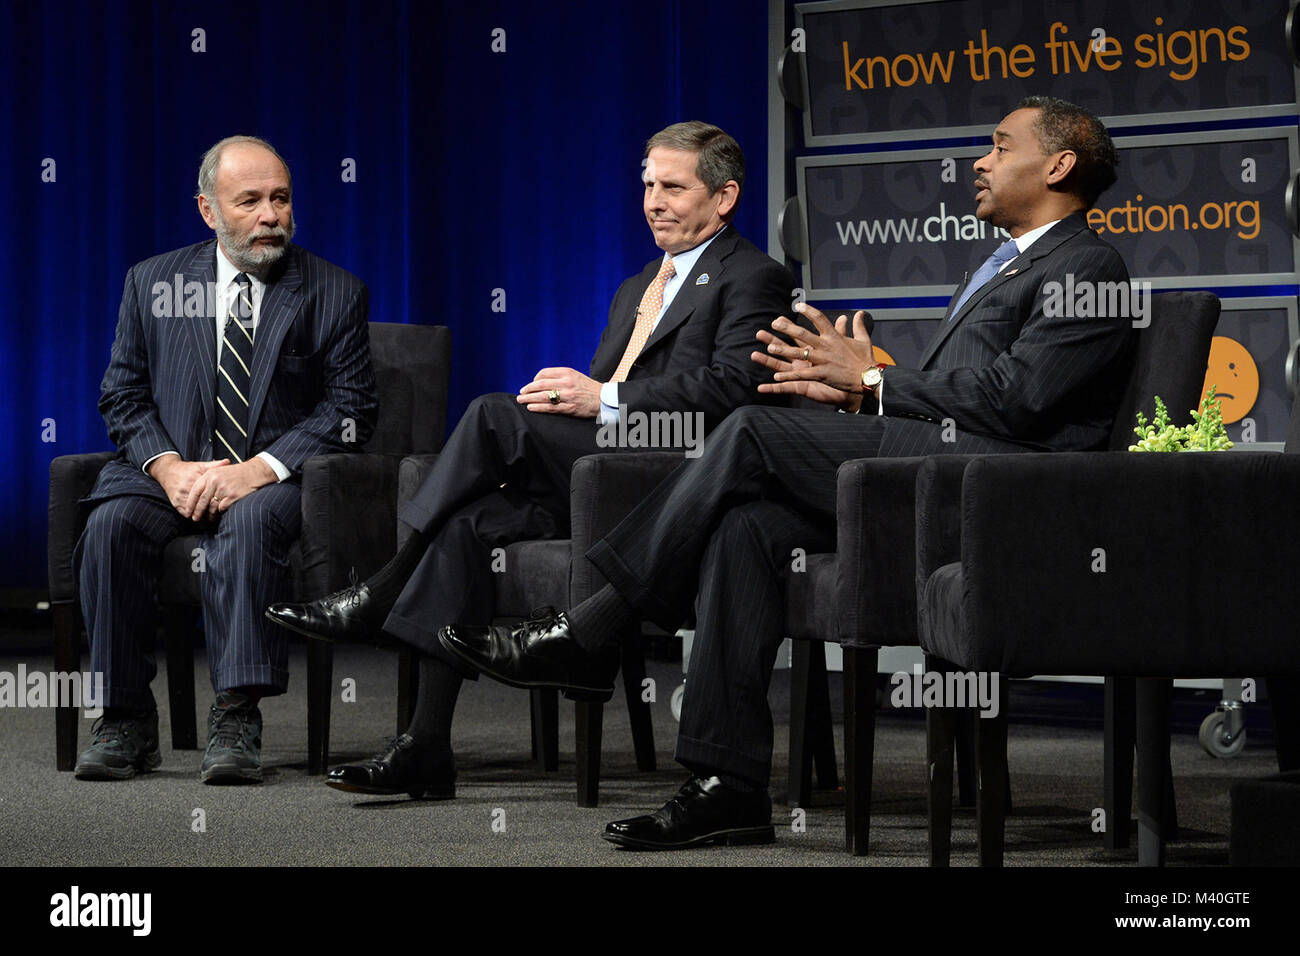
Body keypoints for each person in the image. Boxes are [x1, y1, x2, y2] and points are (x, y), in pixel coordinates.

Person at [441, 96, 1136, 848]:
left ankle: (594, 625)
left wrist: (871, 383)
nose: (980, 160)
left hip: (999, 488)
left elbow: (1022, 401)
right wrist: (850, 389)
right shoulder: (1008, 262)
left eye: (1001, 146)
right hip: (939, 464)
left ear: (1059, 165)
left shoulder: (1088, 265)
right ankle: (727, 784)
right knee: (747, 528)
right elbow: (969, 396)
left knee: (749, 431)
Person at [266, 121, 796, 799]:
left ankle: (382, 588)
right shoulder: (640, 284)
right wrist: (570, 399)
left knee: (492, 414)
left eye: (673, 187)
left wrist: (602, 396)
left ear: (724, 198)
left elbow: (731, 393)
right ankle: (425, 746)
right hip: (594, 473)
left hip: (674, 472)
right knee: (467, 526)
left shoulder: (754, 276)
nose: (653, 201)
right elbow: (606, 394)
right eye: (647, 186)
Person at [73, 136, 377, 784]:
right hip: (169, 470)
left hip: (270, 477)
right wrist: (167, 466)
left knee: (249, 525)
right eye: (251, 201)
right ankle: (124, 717)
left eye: (281, 199)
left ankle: (237, 713)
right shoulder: (153, 282)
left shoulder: (334, 291)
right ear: (209, 210)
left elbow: (351, 411)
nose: (271, 215)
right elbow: (121, 393)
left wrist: (259, 469)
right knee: (109, 528)